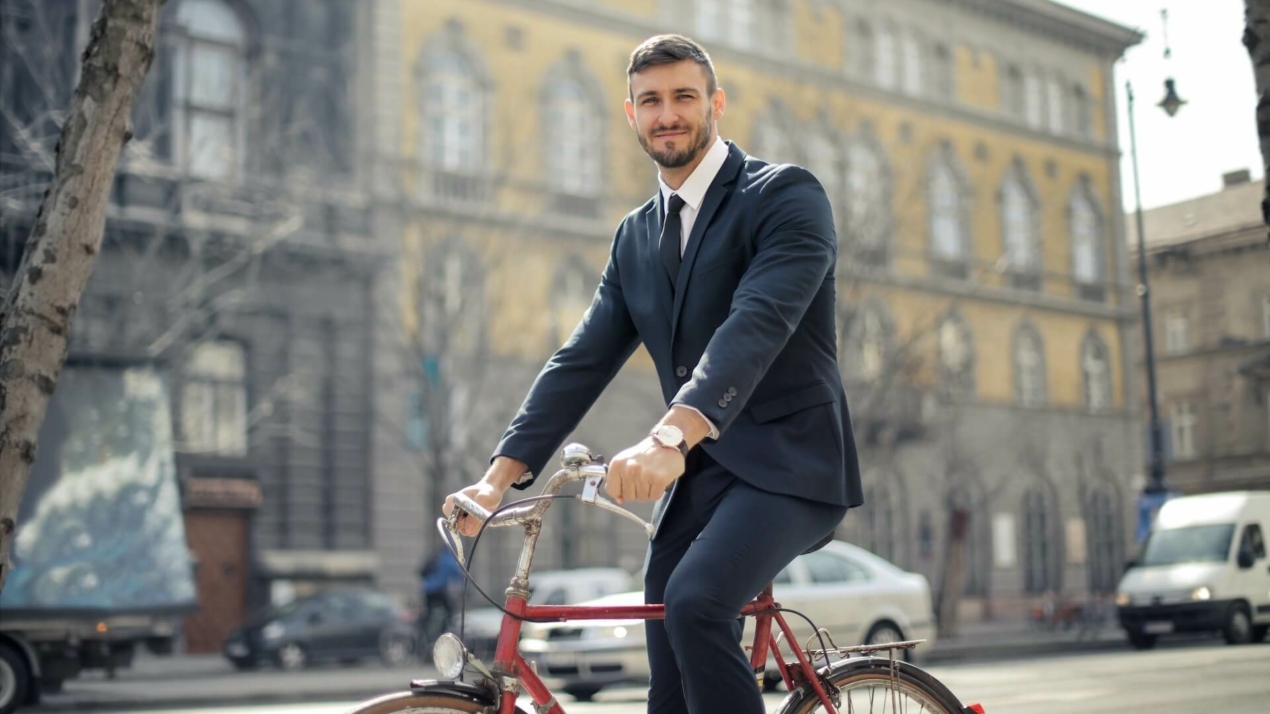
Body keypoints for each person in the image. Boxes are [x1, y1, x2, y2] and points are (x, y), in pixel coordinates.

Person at [443, 34, 863, 714]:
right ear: (631, 115)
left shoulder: (785, 195)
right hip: (703, 477)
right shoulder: (635, 235)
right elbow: (580, 360)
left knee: (695, 604)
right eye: (651, 102)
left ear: (716, 104)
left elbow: (756, 323)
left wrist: (669, 437)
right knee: (666, 656)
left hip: (794, 466)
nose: (667, 114)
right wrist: (495, 481)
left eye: (683, 97)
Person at [418, 545, 463, 645]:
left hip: (427, 590)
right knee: (449, 612)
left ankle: (423, 633)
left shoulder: (438, 557)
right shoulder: (449, 559)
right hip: (438, 590)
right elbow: (459, 574)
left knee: (428, 613)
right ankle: (441, 633)